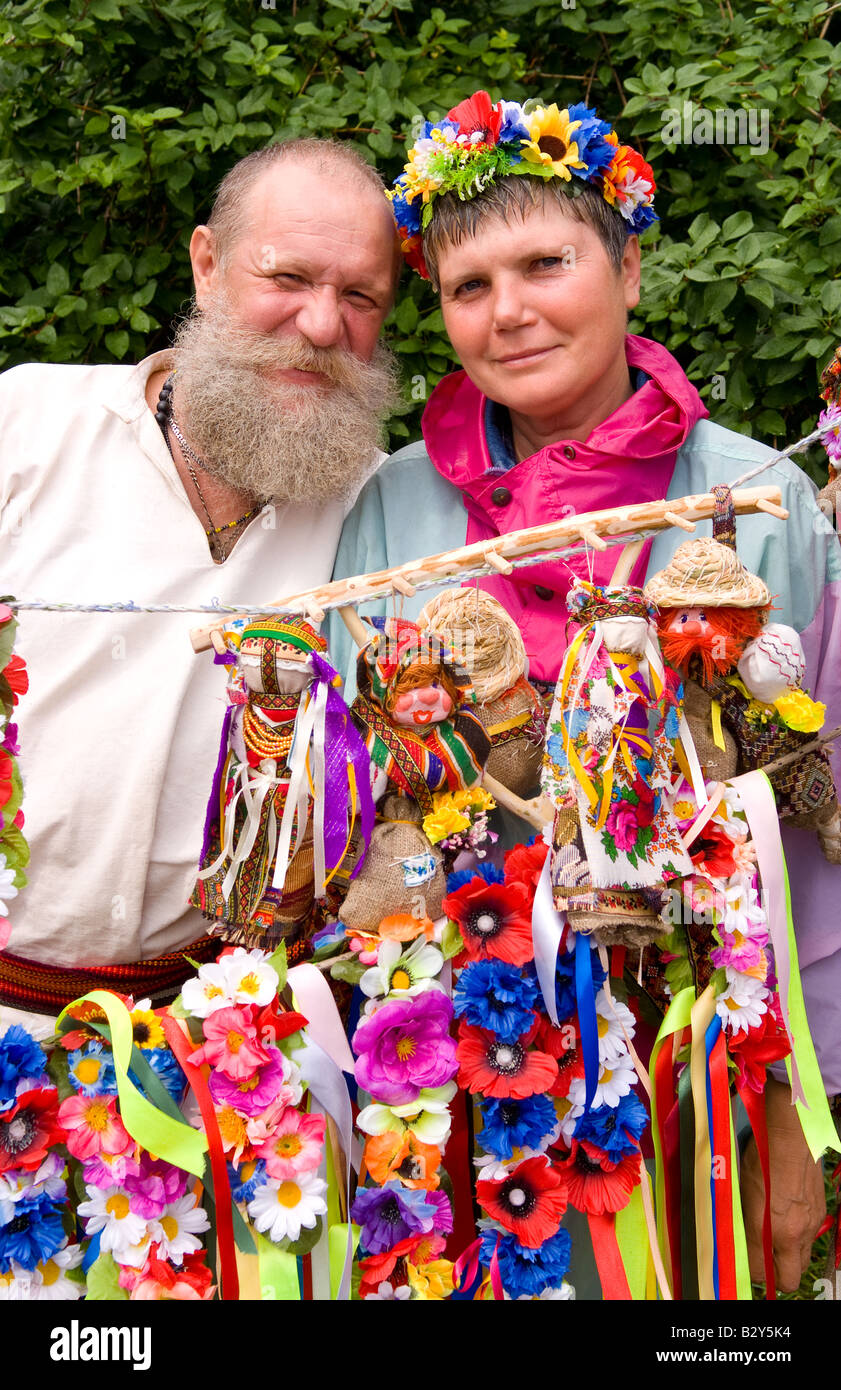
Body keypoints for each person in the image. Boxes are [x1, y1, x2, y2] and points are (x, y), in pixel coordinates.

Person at [330, 91, 841, 1293]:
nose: (508, 313)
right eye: (467, 286)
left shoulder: (757, 499)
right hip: (455, 1049)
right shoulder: (394, 509)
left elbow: (811, 834)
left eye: (546, 263)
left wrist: (792, 1083)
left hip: (698, 1056)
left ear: (628, 268)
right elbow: (353, 787)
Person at [0, 137, 400, 1029]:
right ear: (208, 265)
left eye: (359, 296)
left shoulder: (376, 509)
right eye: (287, 277)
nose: (322, 325)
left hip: (222, 1052)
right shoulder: (24, 428)